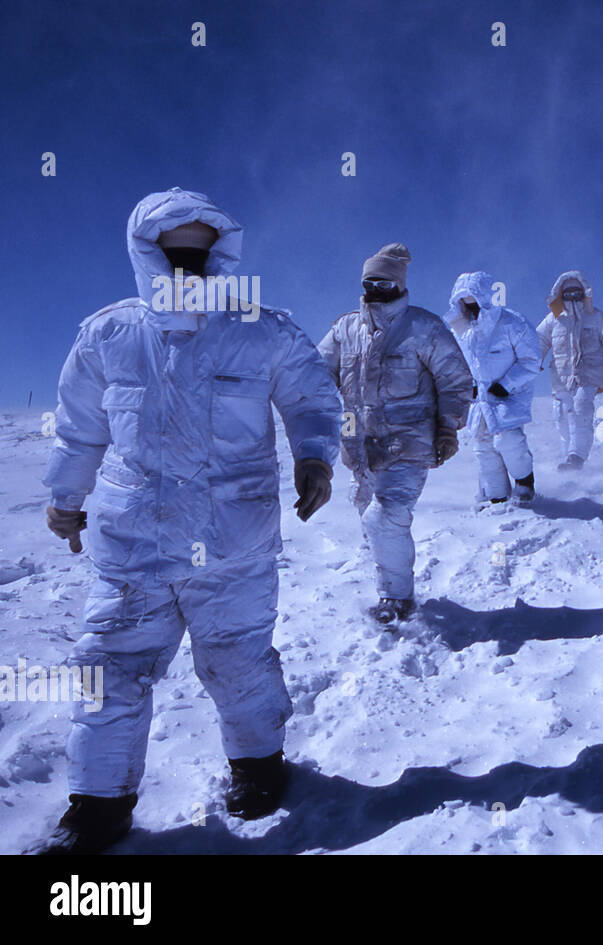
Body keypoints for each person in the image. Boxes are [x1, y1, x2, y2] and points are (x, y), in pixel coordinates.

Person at [35, 187, 341, 853]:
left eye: (199, 254)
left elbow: (312, 396)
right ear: (145, 252)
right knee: (106, 668)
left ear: (221, 253)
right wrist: (66, 498)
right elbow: (79, 431)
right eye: (173, 253)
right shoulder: (108, 335)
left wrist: (315, 455)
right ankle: (97, 807)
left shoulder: (260, 327)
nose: (187, 268)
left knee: (239, 663)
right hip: (131, 547)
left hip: (232, 547)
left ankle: (259, 768)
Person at [317, 244, 473, 625]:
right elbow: (315, 374)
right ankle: (390, 584)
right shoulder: (346, 329)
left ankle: (397, 599)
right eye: (369, 281)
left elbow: (455, 381)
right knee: (368, 514)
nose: (375, 288)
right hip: (360, 447)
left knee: (385, 517)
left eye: (384, 281)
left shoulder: (423, 327)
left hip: (409, 443)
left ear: (399, 284)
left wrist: (448, 429)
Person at [447, 271, 541, 507]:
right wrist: (465, 389)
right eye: (463, 301)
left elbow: (531, 361)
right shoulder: (460, 330)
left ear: (486, 297)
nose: (469, 307)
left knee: (508, 440)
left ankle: (524, 483)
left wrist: (506, 385)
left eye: (473, 300)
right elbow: (455, 364)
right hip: (479, 400)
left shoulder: (512, 323)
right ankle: (497, 496)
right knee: (483, 447)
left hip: (508, 397)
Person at [536, 270, 603, 471]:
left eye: (576, 292)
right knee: (561, 414)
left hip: (589, 374)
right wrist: (532, 363)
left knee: (581, 408)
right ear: (560, 294)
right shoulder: (553, 320)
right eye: (567, 293)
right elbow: (538, 342)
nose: (572, 297)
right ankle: (570, 460)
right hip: (561, 377)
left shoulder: (596, 317)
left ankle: (577, 456)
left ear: (584, 292)